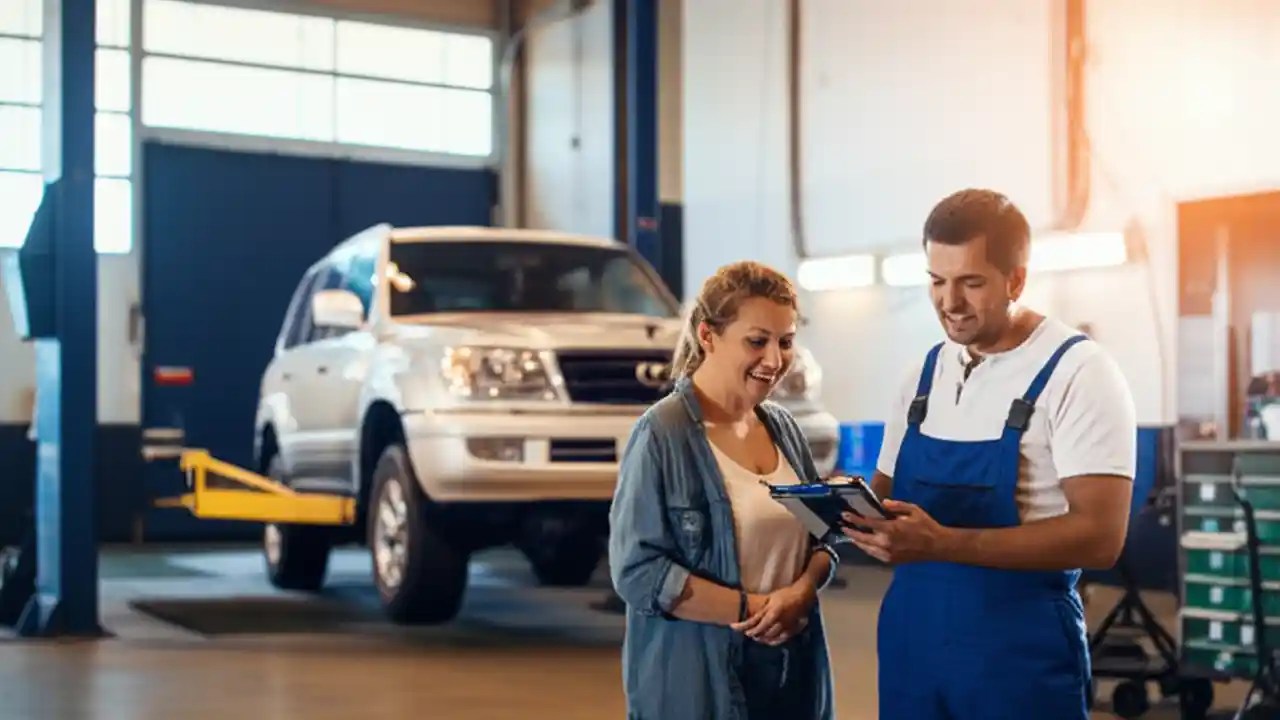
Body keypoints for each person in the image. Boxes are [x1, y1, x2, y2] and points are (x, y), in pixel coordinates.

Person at [843, 189, 1136, 719]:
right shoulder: (921, 377)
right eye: (937, 281)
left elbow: (1100, 537)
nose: (949, 302)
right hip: (913, 646)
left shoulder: (1079, 372)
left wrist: (944, 542)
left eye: (970, 283)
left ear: (1016, 280)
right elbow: (882, 498)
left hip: (1018, 656)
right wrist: (831, 507)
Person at [609, 260, 841, 720]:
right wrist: (755, 610)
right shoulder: (662, 435)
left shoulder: (783, 428)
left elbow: (821, 538)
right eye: (757, 341)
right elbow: (638, 572)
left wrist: (801, 592)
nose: (774, 360)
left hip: (792, 672)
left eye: (786, 342)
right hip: (698, 682)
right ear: (708, 335)